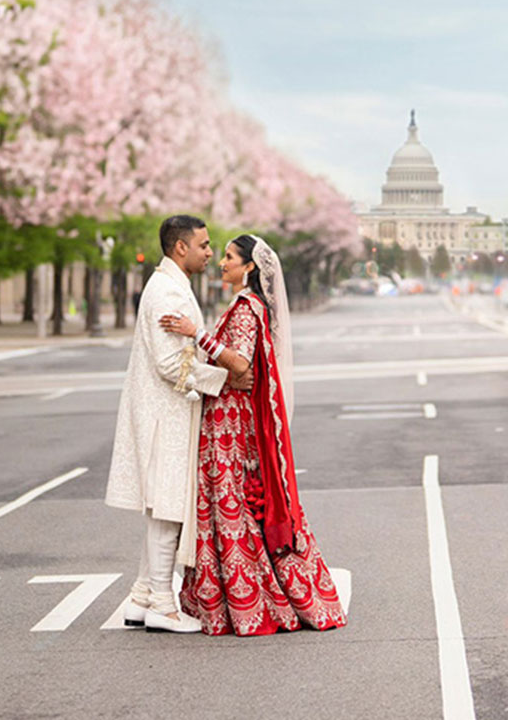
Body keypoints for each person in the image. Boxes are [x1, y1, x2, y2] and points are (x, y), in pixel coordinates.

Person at [159, 234, 347, 636]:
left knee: (232, 508)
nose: (220, 261)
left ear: (248, 268)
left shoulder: (246, 309)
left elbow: (240, 364)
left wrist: (197, 333)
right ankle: (235, 601)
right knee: (231, 508)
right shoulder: (244, 305)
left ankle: (250, 605)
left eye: (228, 257)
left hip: (230, 427)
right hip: (225, 420)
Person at [105, 215, 251, 633]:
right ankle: (164, 606)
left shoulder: (169, 285)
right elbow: (171, 363)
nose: (210, 253)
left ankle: (141, 597)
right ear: (180, 248)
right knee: (168, 509)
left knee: (162, 509)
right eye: (204, 245)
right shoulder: (167, 290)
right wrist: (226, 379)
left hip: (164, 410)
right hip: (164, 413)